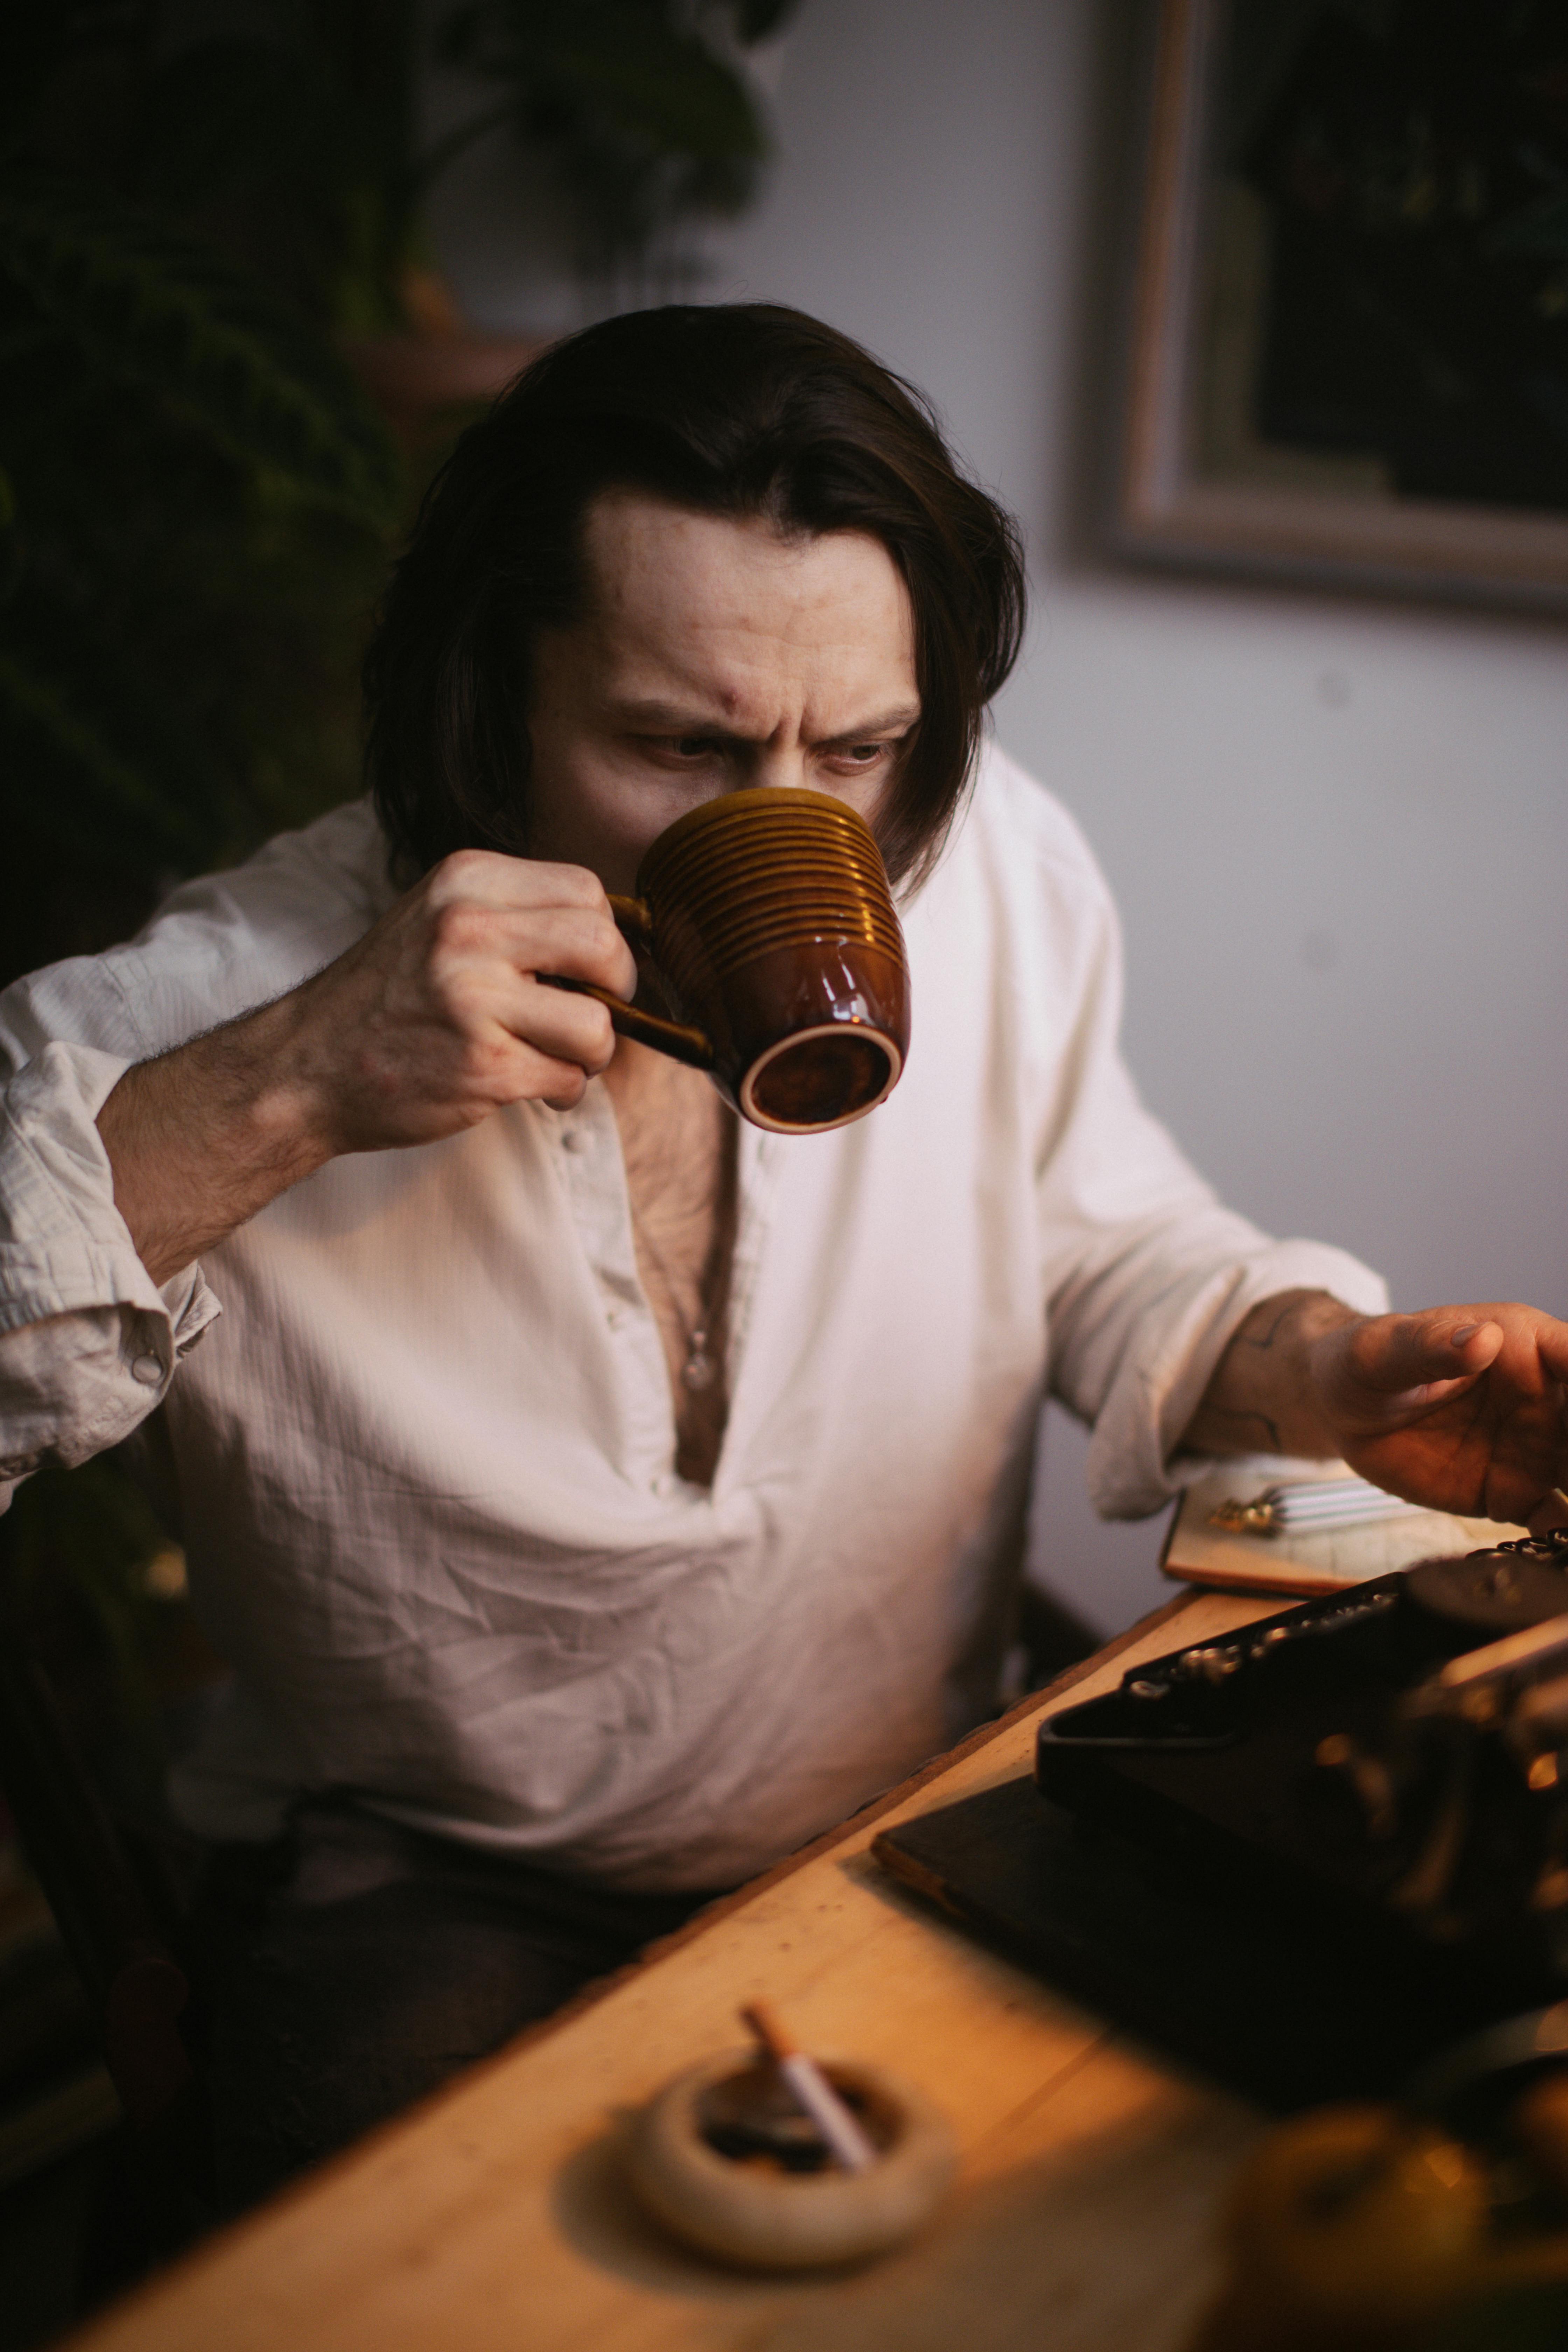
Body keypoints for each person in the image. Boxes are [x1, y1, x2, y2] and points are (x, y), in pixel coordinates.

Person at [2, 304, 1565, 2207]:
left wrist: (1320, 1365)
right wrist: (291, 1086)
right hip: (431, 1876)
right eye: (683, 743)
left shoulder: (984, 864)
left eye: (867, 743)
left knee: (1200, 2175)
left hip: (915, 1802)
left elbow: (1100, 1233)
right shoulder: (248, 995)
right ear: (485, 704)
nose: (799, 820)